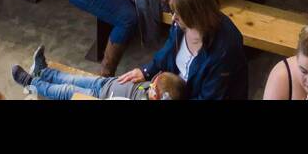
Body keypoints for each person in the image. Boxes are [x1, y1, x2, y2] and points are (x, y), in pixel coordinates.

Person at [118, 0, 247, 101]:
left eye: (178, 15)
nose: (173, 18)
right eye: (173, 12)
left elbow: (210, 96)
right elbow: (168, 51)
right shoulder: (182, 25)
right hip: (173, 90)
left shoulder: (225, 49)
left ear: (195, 16)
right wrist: (146, 71)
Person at [11, 47, 185, 101]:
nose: (151, 83)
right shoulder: (153, 87)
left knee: (66, 90)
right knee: (72, 78)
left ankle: (31, 83)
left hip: (98, 96)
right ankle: (44, 71)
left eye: (153, 88)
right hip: (104, 83)